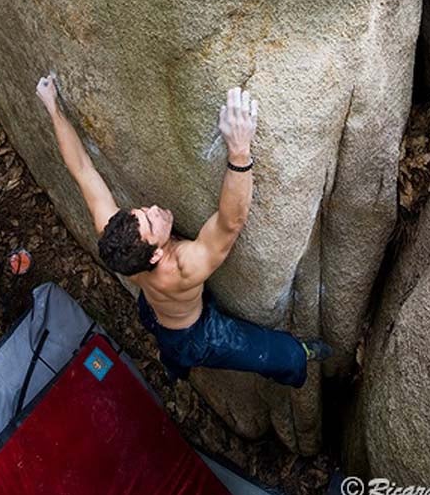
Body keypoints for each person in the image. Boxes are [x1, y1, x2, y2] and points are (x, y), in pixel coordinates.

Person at [36, 75, 332, 386]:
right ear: (156, 255)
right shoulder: (183, 268)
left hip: (154, 311)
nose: (154, 209)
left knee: (166, 343)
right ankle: (300, 353)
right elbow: (231, 222)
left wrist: (53, 107)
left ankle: (174, 368)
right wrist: (239, 151)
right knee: (278, 353)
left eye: (142, 211)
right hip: (192, 335)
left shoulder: (119, 242)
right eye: (152, 222)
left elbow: (83, 170)